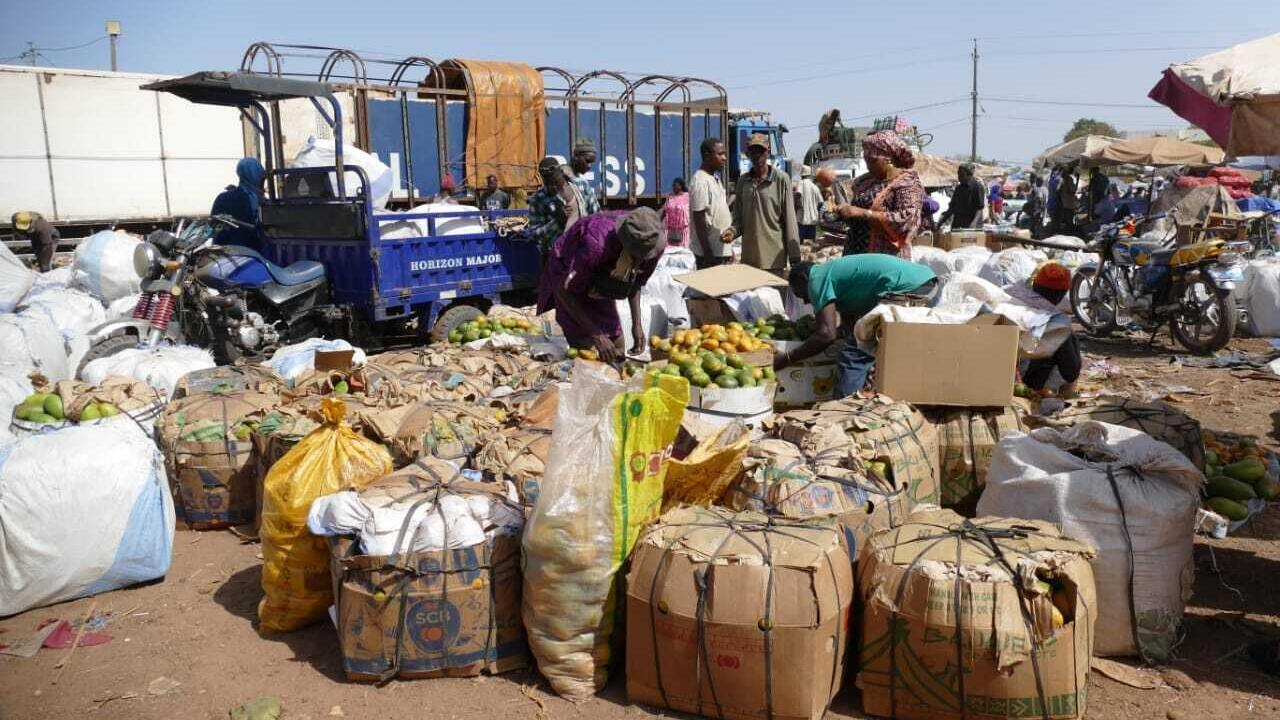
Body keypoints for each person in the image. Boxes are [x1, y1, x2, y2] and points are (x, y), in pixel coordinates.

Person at [777, 256, 937, 398]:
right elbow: (849, 326)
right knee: (868, 344)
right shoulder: (831, 274)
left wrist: (787, 358)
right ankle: (869, 394)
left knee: (853, 354)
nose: (806, 301)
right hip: (923, 281)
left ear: (804, 279)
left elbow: (826, 335)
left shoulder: (816, 279)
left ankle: (842, 413)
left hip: (908, 287)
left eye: (802, 295)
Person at [535, 208, 665, 362]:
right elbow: (564, 291)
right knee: (586, 349)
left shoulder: (653, 245)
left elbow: (636, 282)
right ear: (625, 245)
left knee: (616, 345)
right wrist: (597, 335)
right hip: (569, 271)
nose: (640, 261)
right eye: (636, 256)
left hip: (601, 278)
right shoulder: (597, 245)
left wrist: (637, 325)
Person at [831, 131, 924, 257]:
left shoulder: (907, 183)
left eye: (872, 161)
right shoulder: (865, 182)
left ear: (888, 158)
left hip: (886, 258)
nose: (868, 166)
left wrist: (864, 213)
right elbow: (858, 217)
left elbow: (907, 222)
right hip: (855, 255)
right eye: (866, 160)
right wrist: (845, 213)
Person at [733, 133, 800, 275]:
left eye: (761, 151)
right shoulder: (743, 181)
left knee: (773, 296)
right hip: (749, 260)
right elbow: (738, 218)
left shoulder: (781, 179)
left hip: (773, 259)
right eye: (753, 151)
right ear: (747, 154)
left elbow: (789, 218)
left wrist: (794, 256)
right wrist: (731, 231)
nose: (757, 155)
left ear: (768, 152)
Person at [1015, 262, 1081, 397]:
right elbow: (1071, 373)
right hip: (1027, 382)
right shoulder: (1057, 322)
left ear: (1035, 286)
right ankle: (1064, 392)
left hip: (1008, 376)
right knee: (1068, 336)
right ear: (1061, 295)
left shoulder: (1016, 301)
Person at [689, 137, 735, 269]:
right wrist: (707, 251)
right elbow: (699, 219)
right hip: (710, 254)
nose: (724, 158)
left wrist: (728, 249)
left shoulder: (714, 178)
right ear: (707, 156)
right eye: (720, 154)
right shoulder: (700, 182)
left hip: (719, 250)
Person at [528, 157, 588, 255]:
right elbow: (534, 234)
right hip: (556, 256)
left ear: (561, 173)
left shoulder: (581, 187)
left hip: (582, 251)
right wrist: (557, 222)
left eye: (556, 182)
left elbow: (596, 215)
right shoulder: (537, 199)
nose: (553, 187)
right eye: (548, 184)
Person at [210, 157, 266, 251]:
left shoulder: (223, 197)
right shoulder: (258, 199)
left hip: (226, 253)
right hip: (248, 253)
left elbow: (212, 225)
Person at [938, 163, 985, 230]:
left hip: (972, 227)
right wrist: (940, 223)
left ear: (969, 175)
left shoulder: (977, 187)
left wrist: (973, 224)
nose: (959, 177)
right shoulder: (958, 188)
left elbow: (979, 209)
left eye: (962, 175)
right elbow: (952, 208)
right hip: (958, 225)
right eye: (958, 174)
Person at [562, 138, 601, 217]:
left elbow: (595, 210)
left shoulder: (582, 181)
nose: (589, 166)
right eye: (587, 161)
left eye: (591, 162)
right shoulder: (560, 179)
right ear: (576, 156)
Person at [796, 166, 823, 242]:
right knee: (810, 244)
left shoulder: (801, 183)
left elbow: (798, 194)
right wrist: (815, 209)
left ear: (802, 175)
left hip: (802, 219)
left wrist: (795, 206)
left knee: (801, 244)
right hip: (813, 220)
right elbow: (821, 202)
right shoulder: (815, 187)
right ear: (809, 175)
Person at [661, 178, 690, 246]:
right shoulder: (670, 196)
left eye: (675, 185)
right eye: (673, 185)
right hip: (670, 229)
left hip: (683, 230)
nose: (673, 187)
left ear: (681, 186)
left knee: (683, 249)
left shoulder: (687, 196)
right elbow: (665, 210)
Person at [1055, 165, 1080, 234]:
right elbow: (1073, 190)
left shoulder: (1061, 179)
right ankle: (1069, 233)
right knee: (1069, 221)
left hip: (1064, 203)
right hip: (1069, 204)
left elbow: (1057, 191)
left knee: (1065, 220)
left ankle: (1065, 232)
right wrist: (1077, 179)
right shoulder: (1069, 179)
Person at [1022, 174, 1048, 238]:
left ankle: (1034, 238)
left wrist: (1030, 205)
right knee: (1039, 225)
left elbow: (1039, 198)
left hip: (1037, 210)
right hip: (1043, 210)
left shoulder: (1038, 189)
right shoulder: (1045, 189)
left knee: (1034, 225)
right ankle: (1038, 237)